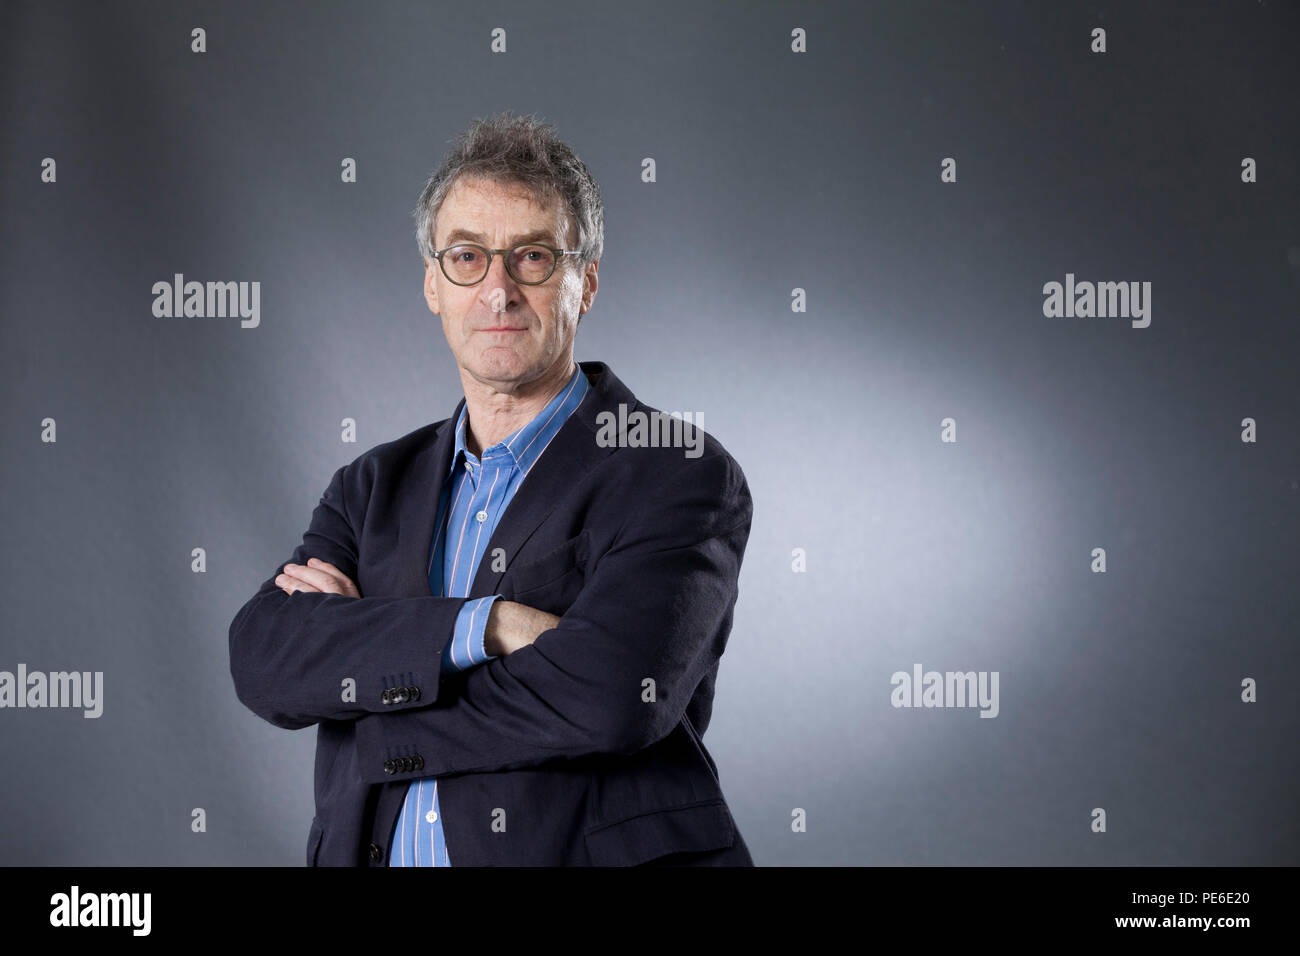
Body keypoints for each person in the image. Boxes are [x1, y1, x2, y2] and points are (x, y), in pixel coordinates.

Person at [227, 111, 754, 866]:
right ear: (433, 287)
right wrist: (491, 625)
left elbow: (610, 697)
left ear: (586, 283)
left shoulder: (677, 472)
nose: (498, 290)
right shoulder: (372, 483)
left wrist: (377, 692)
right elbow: (265, 659)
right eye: (467, 258)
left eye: (533, 257)